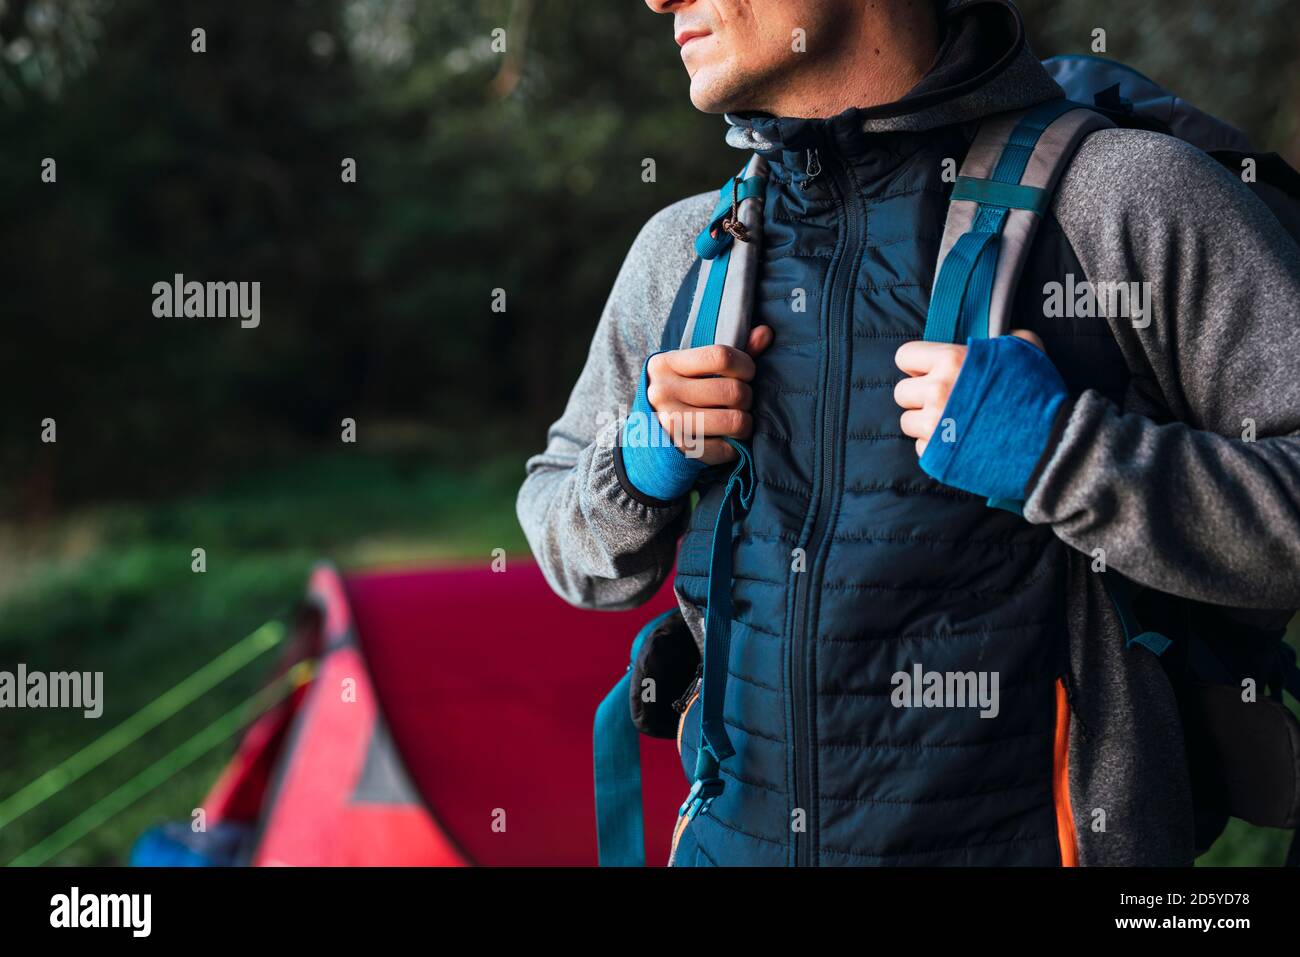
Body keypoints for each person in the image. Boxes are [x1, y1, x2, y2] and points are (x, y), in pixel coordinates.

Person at [517, 0, 1300, 866]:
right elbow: (560, 529)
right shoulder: (688, 253)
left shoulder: (1127, 201)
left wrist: (1065, 456)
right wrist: (634, 463)